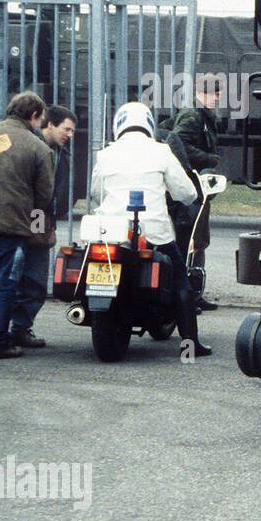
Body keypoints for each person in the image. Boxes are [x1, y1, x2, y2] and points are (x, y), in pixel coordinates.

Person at [90, 102, 212, 357]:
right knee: (181, 282)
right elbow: (186, 192)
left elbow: (95, 194)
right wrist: (185, 198)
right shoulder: (161, 151)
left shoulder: (105, 154)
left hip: (110, 232)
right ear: (148, 124)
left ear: (118, 124)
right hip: (153, 232)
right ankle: (191, 342)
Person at [0, 92, 54, 359]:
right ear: (34, 116)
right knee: (5, 283)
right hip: (11, 227)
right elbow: (44, 195)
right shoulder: (39, 148)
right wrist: (38, 227)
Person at [8, 104, 77, 348]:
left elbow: (63, 186)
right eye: (66, 129)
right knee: (13, 271)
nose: (69, 135)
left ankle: (21, 327)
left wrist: (54, 213)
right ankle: (5, 328)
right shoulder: (30, 145)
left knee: (35, 274)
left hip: (41, 215)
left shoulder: (62, 153)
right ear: (50, 124)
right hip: (22, 214)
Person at [170, 77, 222, 311]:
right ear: (203, 92)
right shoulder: (193, 116)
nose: (218, 97)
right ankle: (186, 296)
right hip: (190, 189)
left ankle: (194, 293)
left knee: (199, 240)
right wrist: (208, 159)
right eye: (214, 93)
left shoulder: (204, 116)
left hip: (200, 188)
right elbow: (177, 144)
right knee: (190, 242)